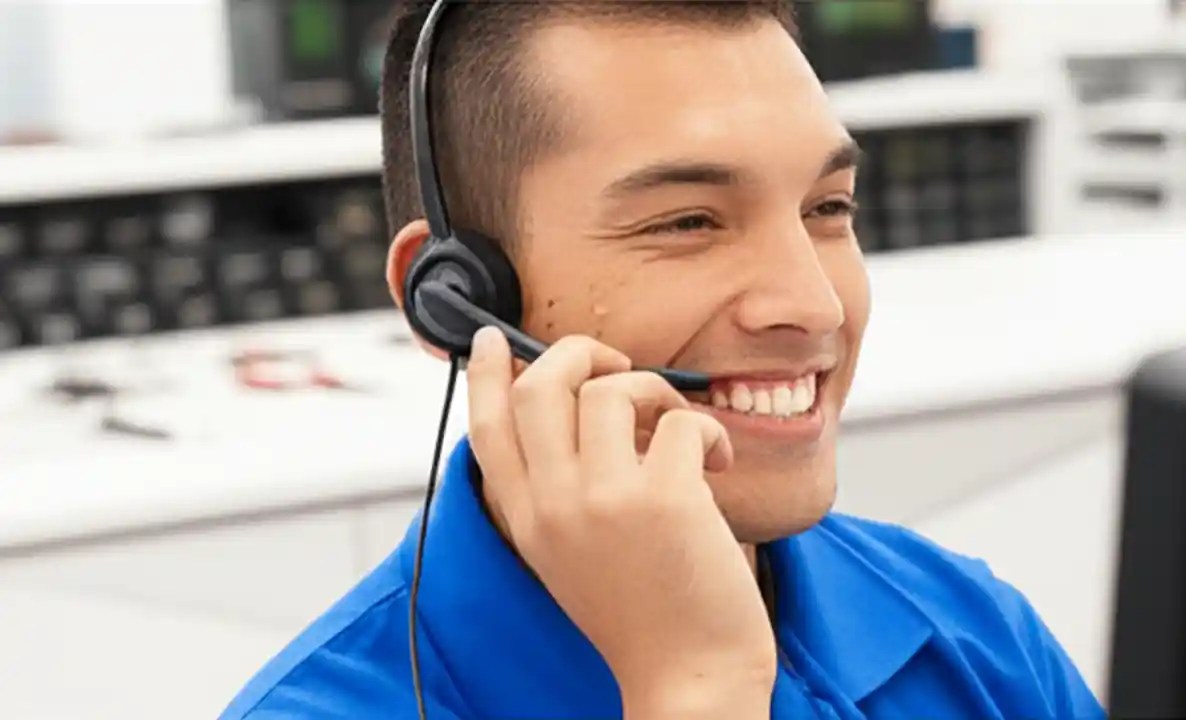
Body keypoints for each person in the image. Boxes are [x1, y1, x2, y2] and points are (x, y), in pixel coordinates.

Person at [221, 1, 1104, 718]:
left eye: (828, 208)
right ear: (456, 299)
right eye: (689, 222)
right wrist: (698, 689)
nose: (814, 305)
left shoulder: (972, 634)